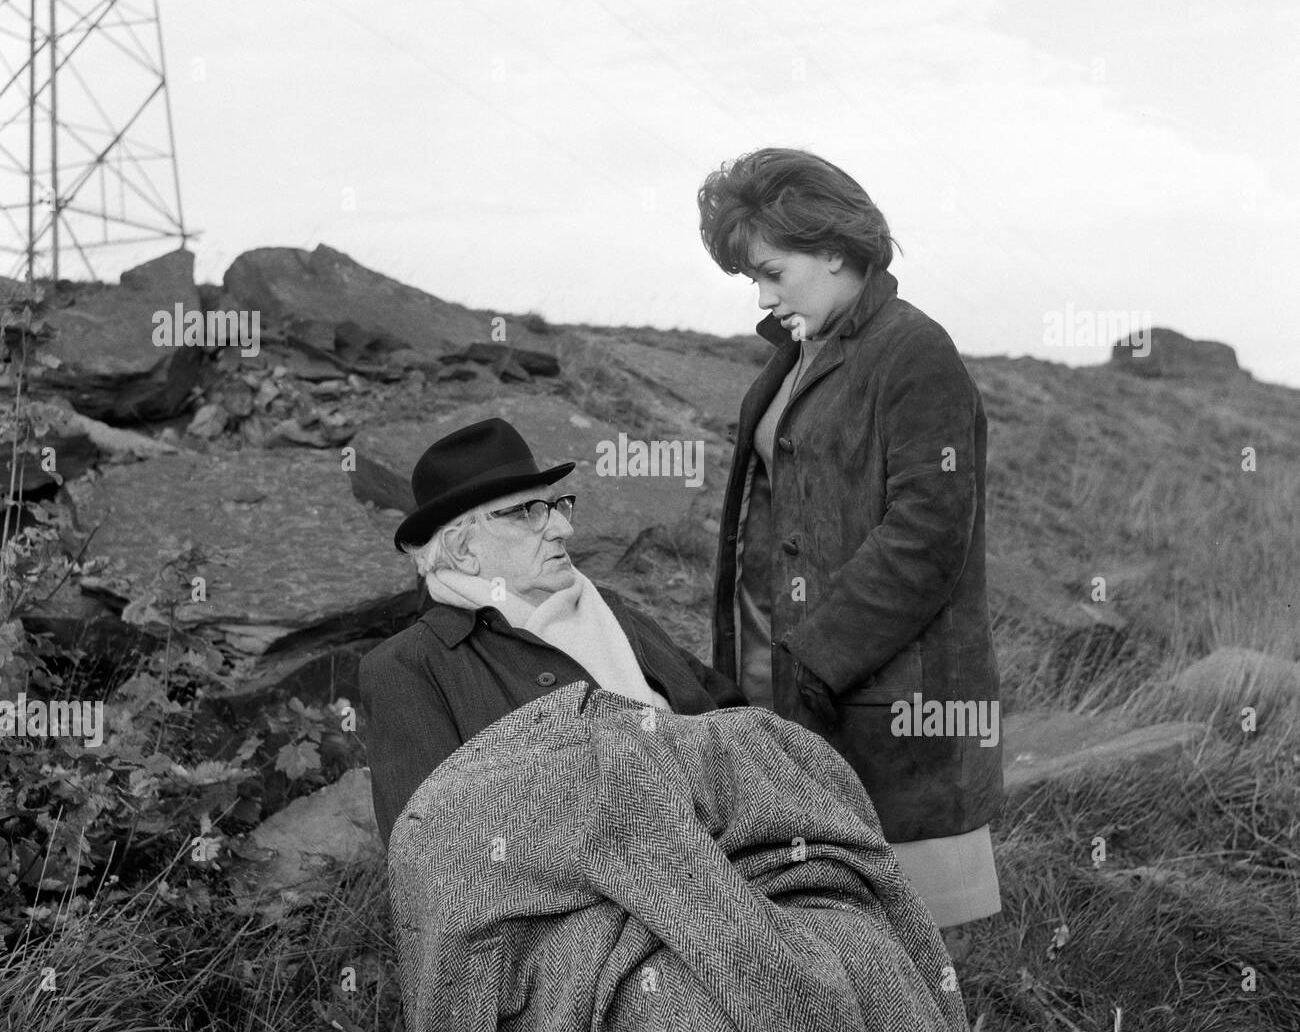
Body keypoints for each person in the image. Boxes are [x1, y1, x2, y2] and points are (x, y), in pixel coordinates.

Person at [698, 147, 1003, 930]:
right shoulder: (795, 357)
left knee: (917, 961)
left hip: (890, 708)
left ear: (835, 248)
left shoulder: (914, 351)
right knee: (820, 945)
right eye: (751, 280)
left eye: (772, 271)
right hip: (785, 699)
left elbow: (928, 535)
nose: (762, 295)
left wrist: (817, 660)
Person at [359, 417, 746, 850]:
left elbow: (732, 718)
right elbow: (433, 855)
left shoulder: (616, 614)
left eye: (556, 506)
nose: (564, 529)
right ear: (464, 550)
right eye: (529, 513)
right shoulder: (409, 668)